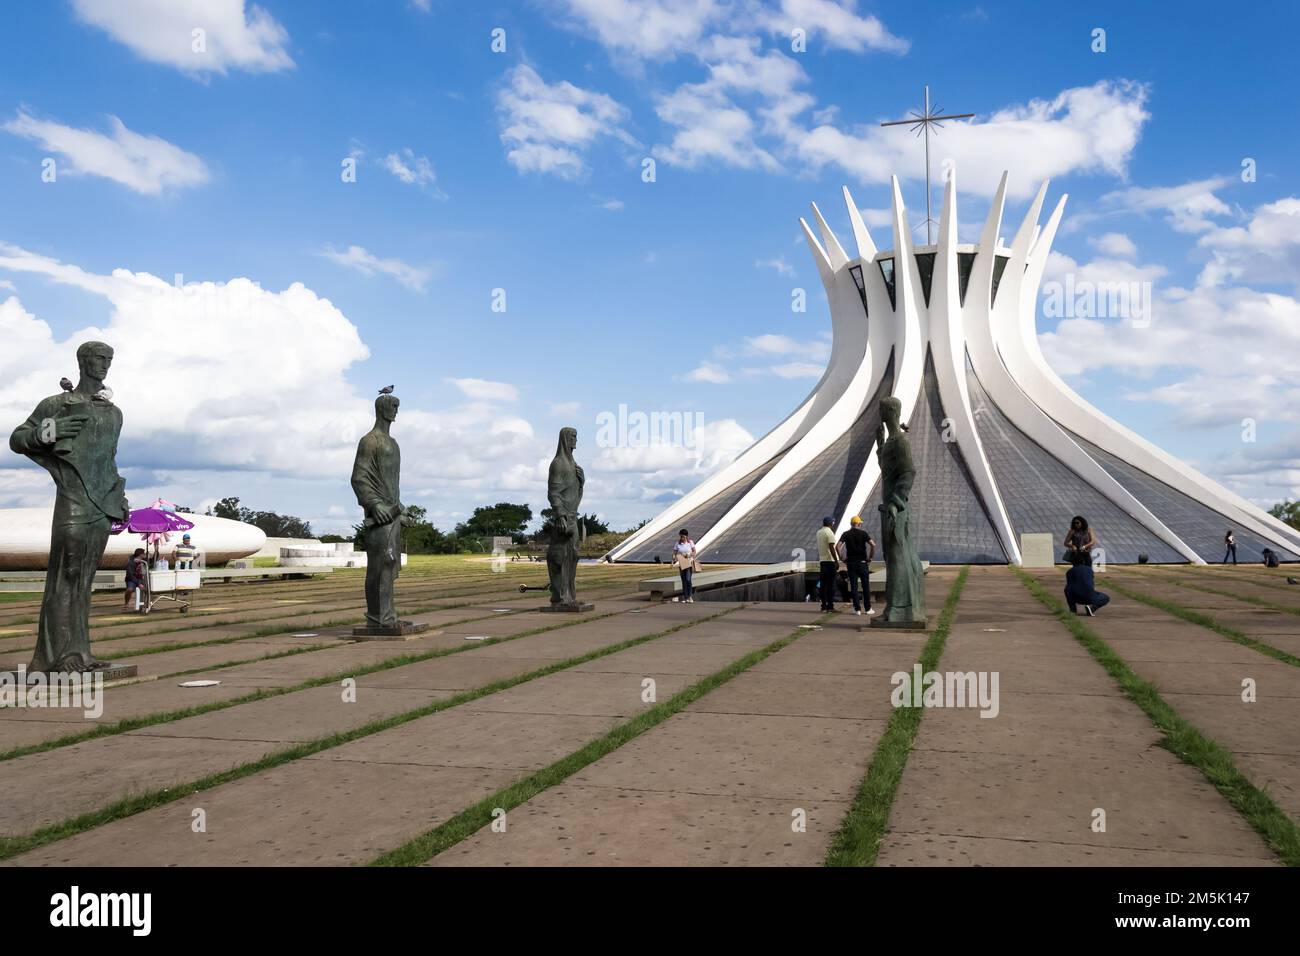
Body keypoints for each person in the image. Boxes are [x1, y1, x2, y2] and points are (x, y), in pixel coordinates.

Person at [837, 515, 876, 616]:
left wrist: (842, 558)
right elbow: (873, 545)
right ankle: (868, 609)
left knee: (853, 586)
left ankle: (857, 609)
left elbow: (838, 547)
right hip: (862, 563)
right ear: (859, 524)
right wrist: (870, 557)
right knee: (865, 586)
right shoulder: (863, 533)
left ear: (851, 524)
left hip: (851, 563)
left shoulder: (846, 534)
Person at [1064, 550, 1110, 616]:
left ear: (1072, 562)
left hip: (1076, 597)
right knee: (1106, 598)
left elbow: (1069, 585)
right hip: (1089, 597)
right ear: (1083, 561)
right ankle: (1092, 608)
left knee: (1067, 589)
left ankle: (1073, 610)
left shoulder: (1069, 572)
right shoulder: (1089, 570)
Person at [816, 516, 838, 612]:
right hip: (830, 561)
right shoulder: (829, 533)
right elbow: (831, 547)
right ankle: (830, 606)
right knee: (831, 585)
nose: (833, 524)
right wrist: (836, 560)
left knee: (823, 584)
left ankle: (823, 605)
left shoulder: (819, 532)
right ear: (830, 523)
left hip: (822, 561)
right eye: (833, 523)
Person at [673, 529, 697, 603]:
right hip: (682, 563)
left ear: (686, 536)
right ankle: (685, 597)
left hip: (689, 562)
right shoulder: (678, 543)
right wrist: (674, 557)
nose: (682, 538)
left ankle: (690, 596)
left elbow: (694, 551)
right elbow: (674, 552)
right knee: (683, 580)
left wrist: (689, 554)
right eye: (681, 536)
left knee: (688, 579)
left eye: (683, 536)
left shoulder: (690, 543)